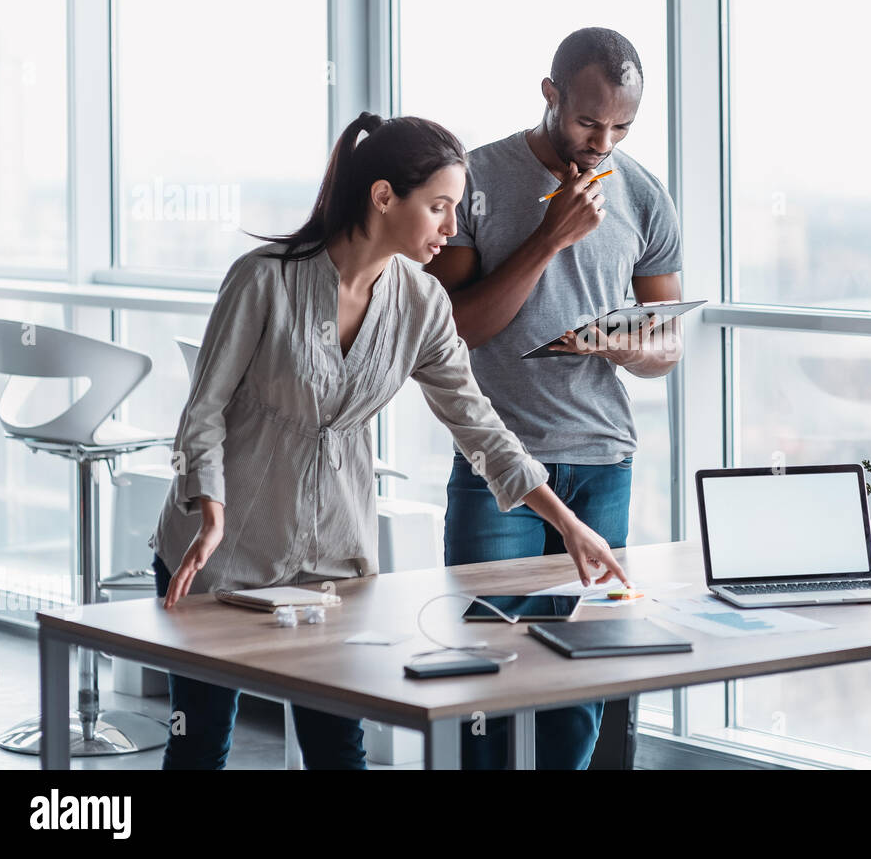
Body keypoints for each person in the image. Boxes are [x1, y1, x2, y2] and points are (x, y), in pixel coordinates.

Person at [148, 111, 628, 770]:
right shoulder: (262, 279)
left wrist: (567, 523)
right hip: (220, 560)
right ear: (382, 197)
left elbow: (477, 423)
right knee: (199, 744)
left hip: (333, 567)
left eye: (456, 208)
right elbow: (202, 411)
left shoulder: (423, 305)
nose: (452, 229)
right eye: (438, 207)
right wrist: (210, 509)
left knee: (339, 750)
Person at [423, 27, 684, 769]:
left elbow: (667, 348)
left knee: (582, 683)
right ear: (550, 96)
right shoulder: (476, 180)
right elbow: (456, 329)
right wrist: (549, 236)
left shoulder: (641, 192)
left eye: (621, 126)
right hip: (498, 467)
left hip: (604, 463)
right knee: (484, 673)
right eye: (587, 122)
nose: (603, 141)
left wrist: (625, 342)